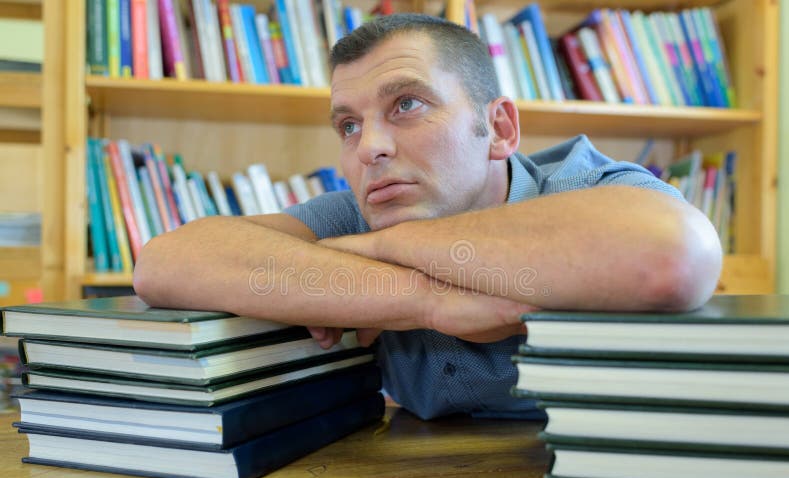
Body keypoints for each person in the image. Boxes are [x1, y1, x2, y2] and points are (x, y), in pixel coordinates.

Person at [134, 14, 722, 420]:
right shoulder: (361, 210)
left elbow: (671, 257)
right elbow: (164, 263)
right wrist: (428, 301)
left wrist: (351, 259)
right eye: (348, 125)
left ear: (498, 129)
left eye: (406, 105)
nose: (369, 148)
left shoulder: (584, 186)